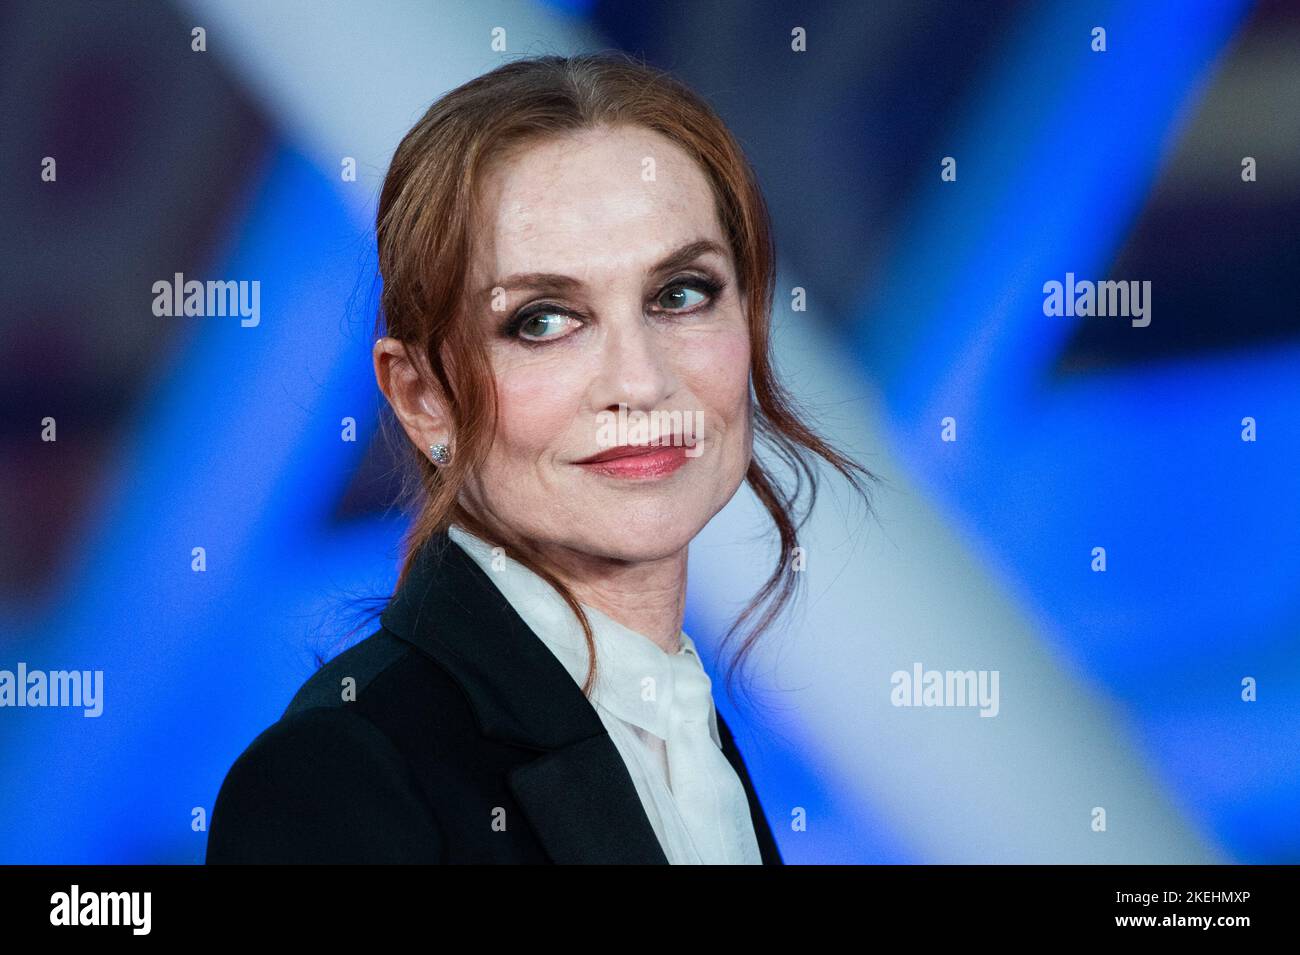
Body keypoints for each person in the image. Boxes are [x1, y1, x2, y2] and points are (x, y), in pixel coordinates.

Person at [206, 51, 875, 864]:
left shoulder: (680, 730)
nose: (640, 379)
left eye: (680, 294)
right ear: (423, 396)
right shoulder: (339, 779)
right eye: (545, 319)